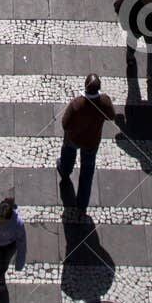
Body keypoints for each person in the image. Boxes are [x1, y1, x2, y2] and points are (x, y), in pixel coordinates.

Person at [57, 74, 116, 210]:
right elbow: (111, 116)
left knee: (68, 155)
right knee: (87, 172)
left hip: (74, 138)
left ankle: (65, 170)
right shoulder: (104, 102)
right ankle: (82, 203)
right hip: (92, 141)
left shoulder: (77, 104)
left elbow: (65, 124)